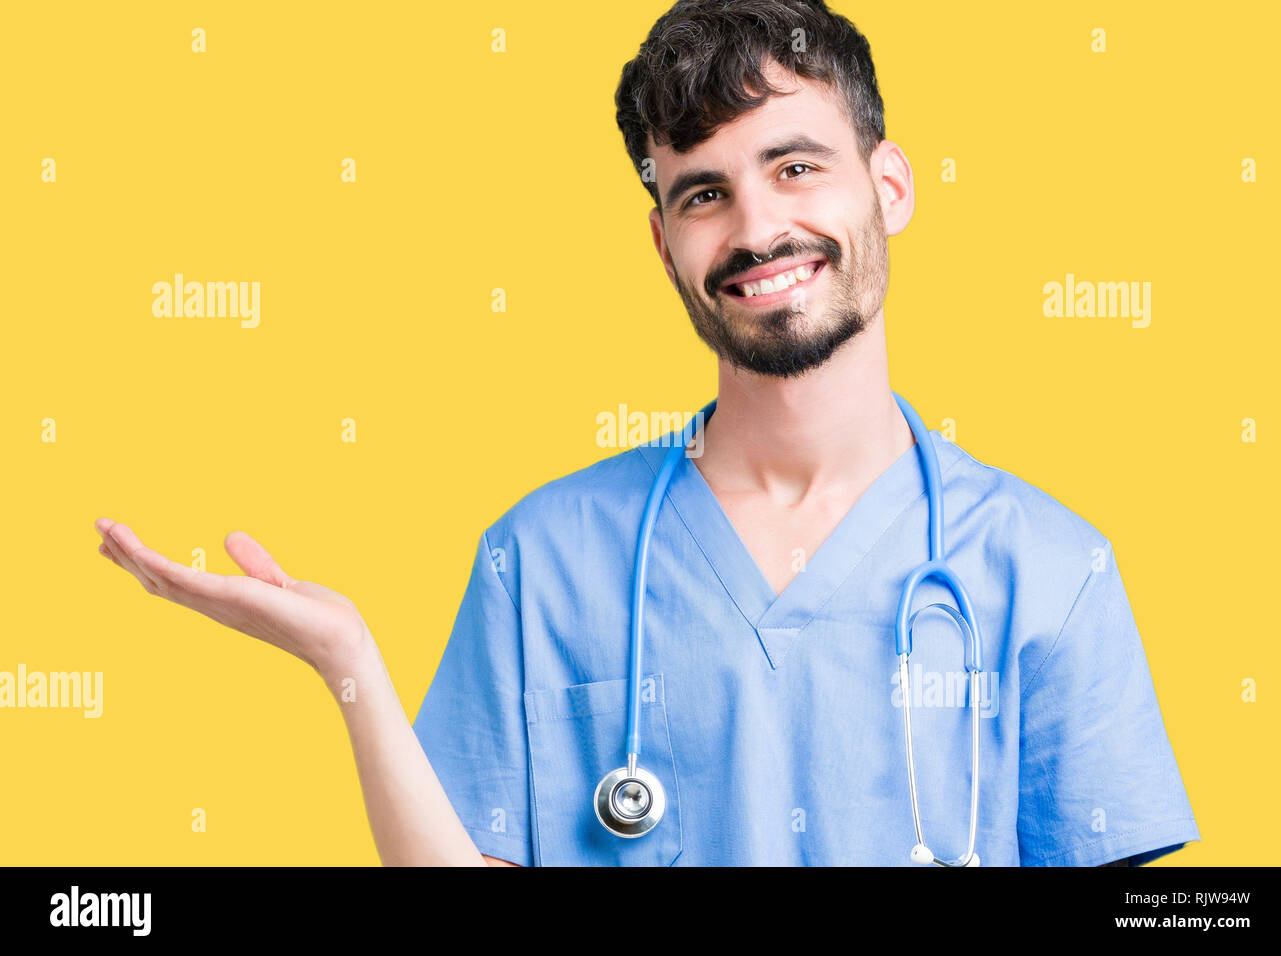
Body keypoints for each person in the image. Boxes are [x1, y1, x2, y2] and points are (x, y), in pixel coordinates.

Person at [94, 0, 1200, 866]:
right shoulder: (543, 557)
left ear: (889, 185)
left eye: (796, 166)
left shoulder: (1051, 570)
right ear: (663, 241)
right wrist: (349, 666)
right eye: (703, 193)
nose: (758, 227)